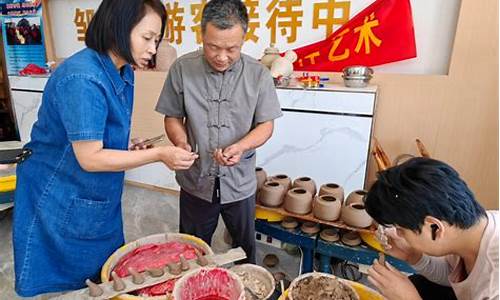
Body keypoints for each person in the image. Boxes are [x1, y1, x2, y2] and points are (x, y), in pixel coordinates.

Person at [13, 0, 197, 297]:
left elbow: (97, 133)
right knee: (73, 281)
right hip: (60, 191)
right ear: (118, 28)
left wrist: (126, 142)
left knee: (103, 271)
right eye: (147, 38)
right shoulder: (83, 78)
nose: (153, 48)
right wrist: (159, 154)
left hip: (95, 191)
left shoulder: (122, 70)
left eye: (157, 39)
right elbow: (89, 157)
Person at [155, 0, 282, 264]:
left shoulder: (258, 74)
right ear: (202, 35)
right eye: (213, 47)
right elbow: (173, 116)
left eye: (231, 48)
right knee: (190, 253)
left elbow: (266, 125)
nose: (222, 57)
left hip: (240, 181)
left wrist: (242, 146)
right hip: (195, 180)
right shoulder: (182, 68)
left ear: (244, 39)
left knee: (245, 252)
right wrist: (181, 142)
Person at [365, 157, 498, 300]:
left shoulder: (494, 287)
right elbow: (451, 277)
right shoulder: (470, 230)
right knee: (422, 284)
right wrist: (413, 256)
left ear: (435, 227)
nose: (398, 234)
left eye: (401, 229)